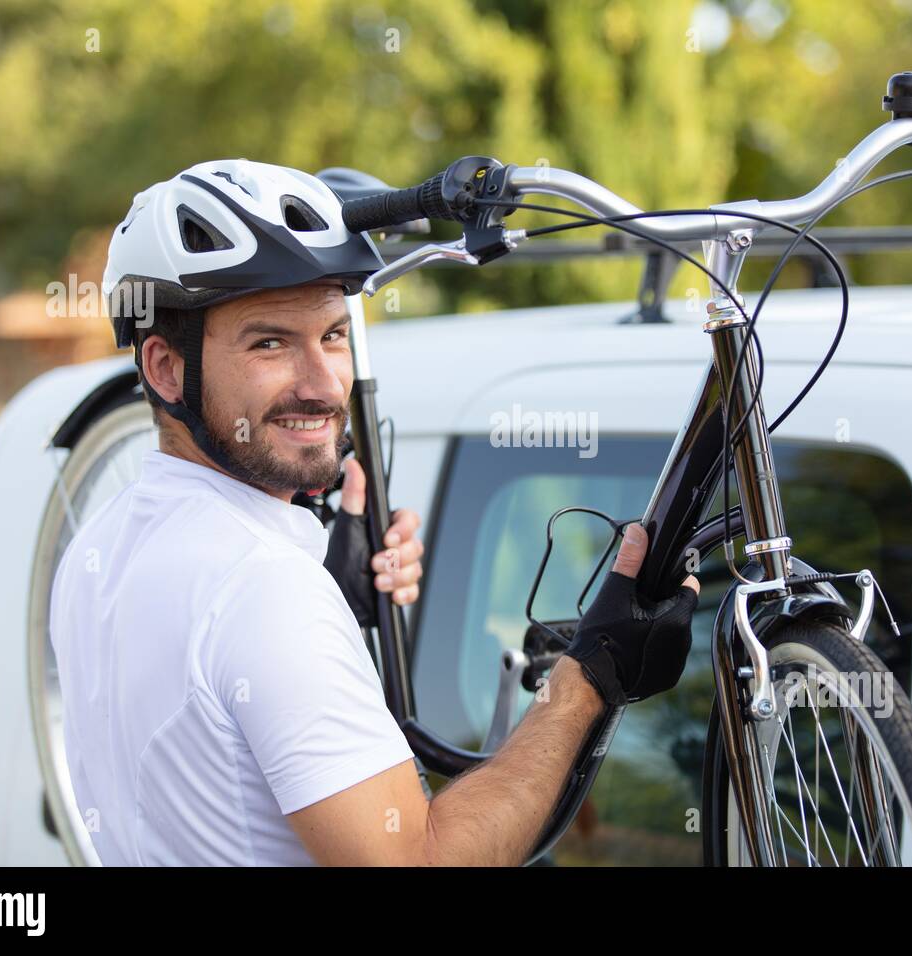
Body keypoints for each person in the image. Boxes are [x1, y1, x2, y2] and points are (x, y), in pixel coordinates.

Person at [49, 159, 698, 866]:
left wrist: (335, 602)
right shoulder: (262, 590)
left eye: (332, 335)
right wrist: (591, 677)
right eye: (270, 342)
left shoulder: (97, 550)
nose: (326, 383)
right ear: (167, 369)